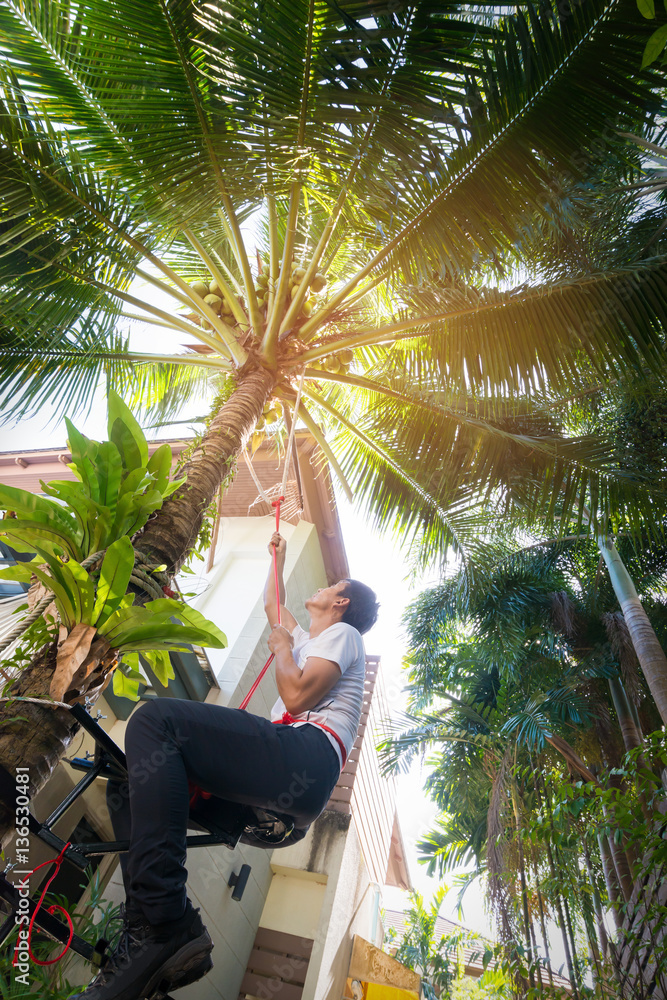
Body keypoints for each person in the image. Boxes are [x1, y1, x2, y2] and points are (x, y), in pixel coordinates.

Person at [72, 531, 379, 1000]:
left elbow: (297, 696)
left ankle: (165, 920)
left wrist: (279, 649)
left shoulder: (344, 636)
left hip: (309, 757)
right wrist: (274, 557)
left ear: (340, 602)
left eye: (331, 585)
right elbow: (275, 608)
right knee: (125, 778)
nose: (320, 589)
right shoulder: (306, 639)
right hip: (284, 800)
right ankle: (146, 938)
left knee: (156, 721)